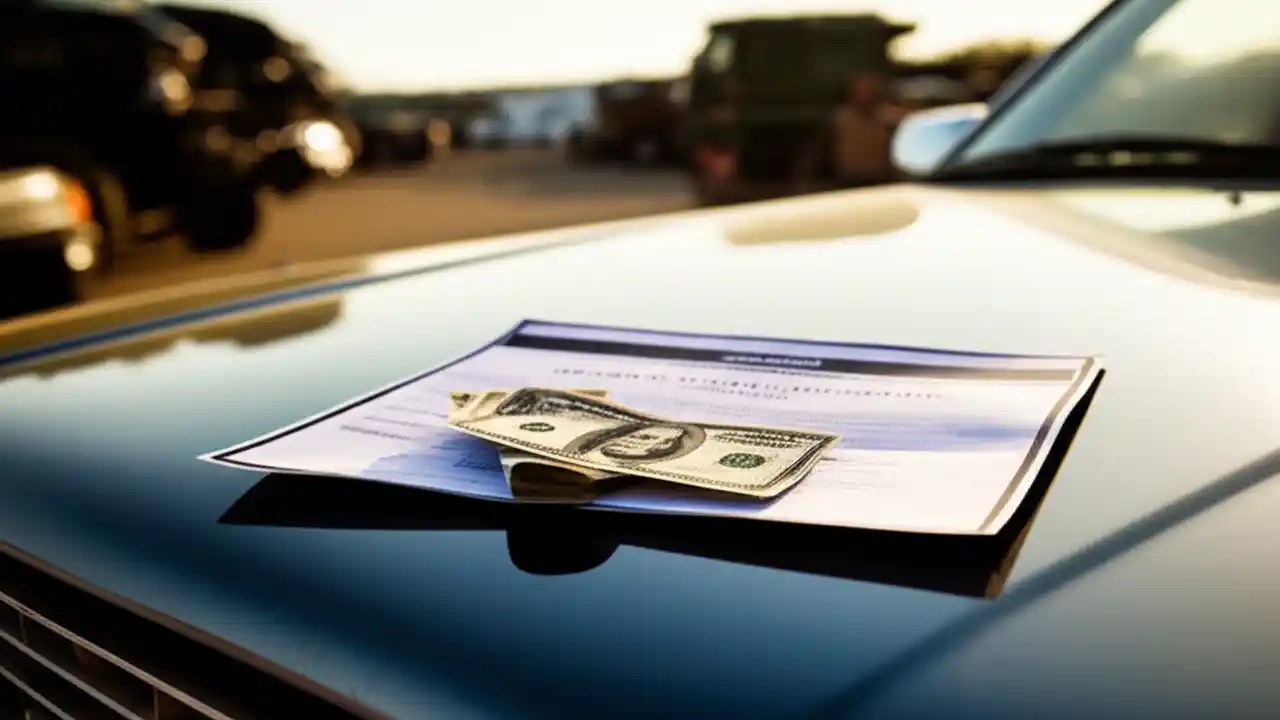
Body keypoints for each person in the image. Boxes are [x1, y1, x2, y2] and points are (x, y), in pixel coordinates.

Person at [828, 72, 904, 187]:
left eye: (868, 92)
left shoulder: (889, 118)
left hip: (882, 177)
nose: (865, 97)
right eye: (861, 92)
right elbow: (822, 148)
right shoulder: (841, 119)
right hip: (849, 177)